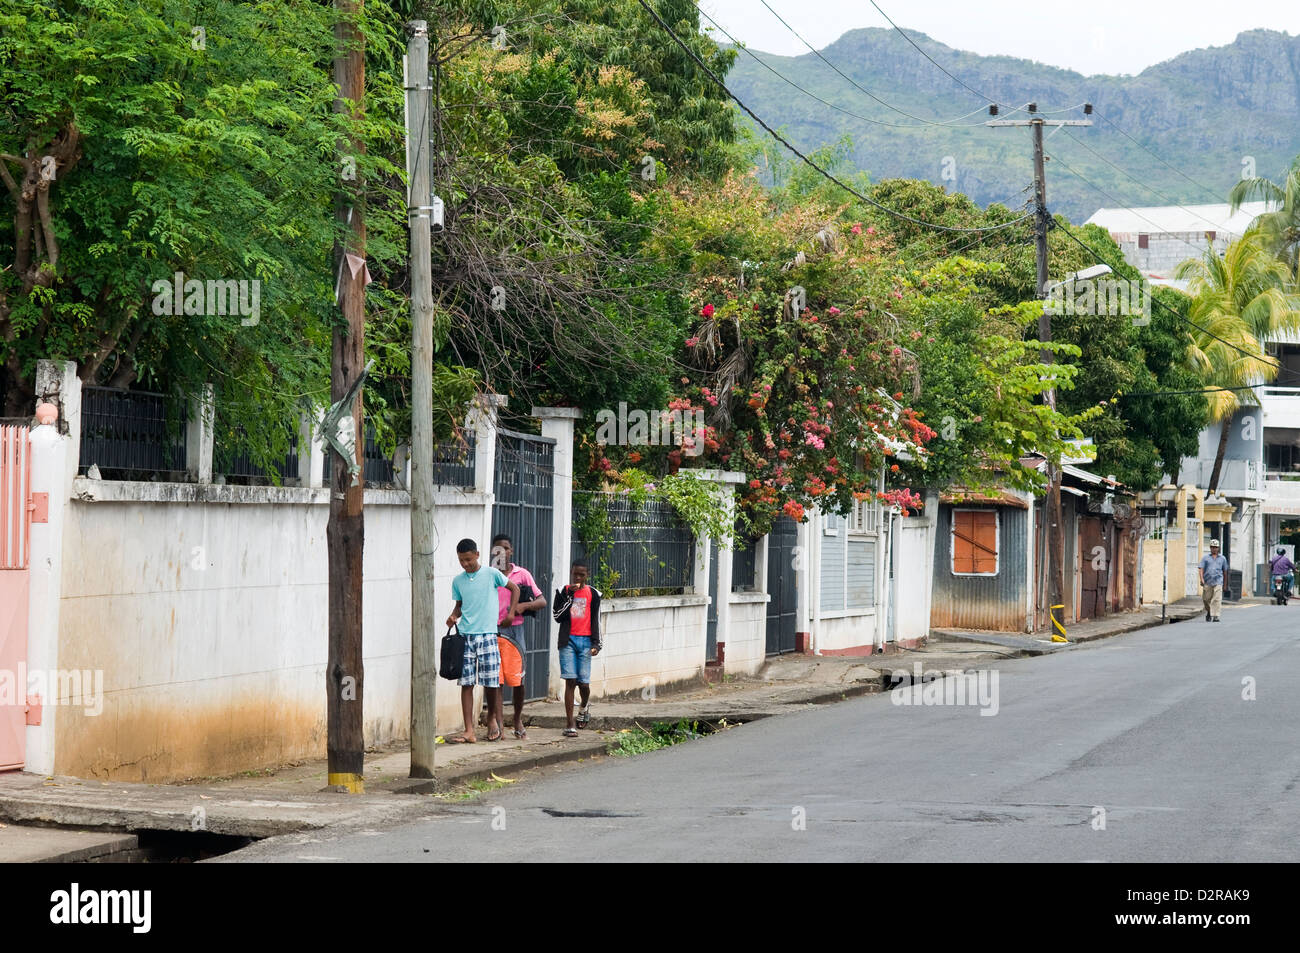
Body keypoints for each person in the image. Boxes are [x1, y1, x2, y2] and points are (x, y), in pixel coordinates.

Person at [446, 538, 519, 742]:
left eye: (468, 559)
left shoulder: (491, 574)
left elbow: (515, 589)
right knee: (466, 683)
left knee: (491, 682)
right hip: (465, 636)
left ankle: (493, 720)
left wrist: (511, 613)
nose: (465, 564)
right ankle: (469, 731)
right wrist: (453, 616)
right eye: (461, 560)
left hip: (487, 634)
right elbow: (460, 605)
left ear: (477, 555)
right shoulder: (458, 581)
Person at [489, 534, 547, 740]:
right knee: (496, 680)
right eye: (498, 548)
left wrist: (522, 606)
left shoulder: (522, 574)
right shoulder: (488, 575)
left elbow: (542, 601)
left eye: (505, 548)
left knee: (518, 680)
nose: (502, 551)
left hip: (515, 631)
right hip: (493, 630)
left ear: (511, 551)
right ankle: (498, 724)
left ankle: (517, 718)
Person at [553, 561, 602, 738]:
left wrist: (597, 644)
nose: (578, 578)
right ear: (571, 573)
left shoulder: (594, 594)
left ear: (587, 574)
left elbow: (597, 619)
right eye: (575, 574)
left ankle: (584, 706)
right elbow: (557, 616)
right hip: (568, 642)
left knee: (584, 684)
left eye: (582, 575)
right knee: (570, 681)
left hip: (586, 642)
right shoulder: (562, 591)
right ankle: (569, 723)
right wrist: (570, 598)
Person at [1198, 538, 1228, 623]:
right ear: (1210, 548)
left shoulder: (1222, 558)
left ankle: (1215, 616)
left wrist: (1225, 584)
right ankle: (1209, 611)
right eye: (1212, 547)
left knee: (1217, 599)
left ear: (1218, 548)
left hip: (1218, 581)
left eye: (1216, 547)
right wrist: (1202, 579)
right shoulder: (1205, 558)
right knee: (1206, 599)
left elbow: (1225, 571)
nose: (1214, 549)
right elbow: (1201, 569)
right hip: (1208, 582)